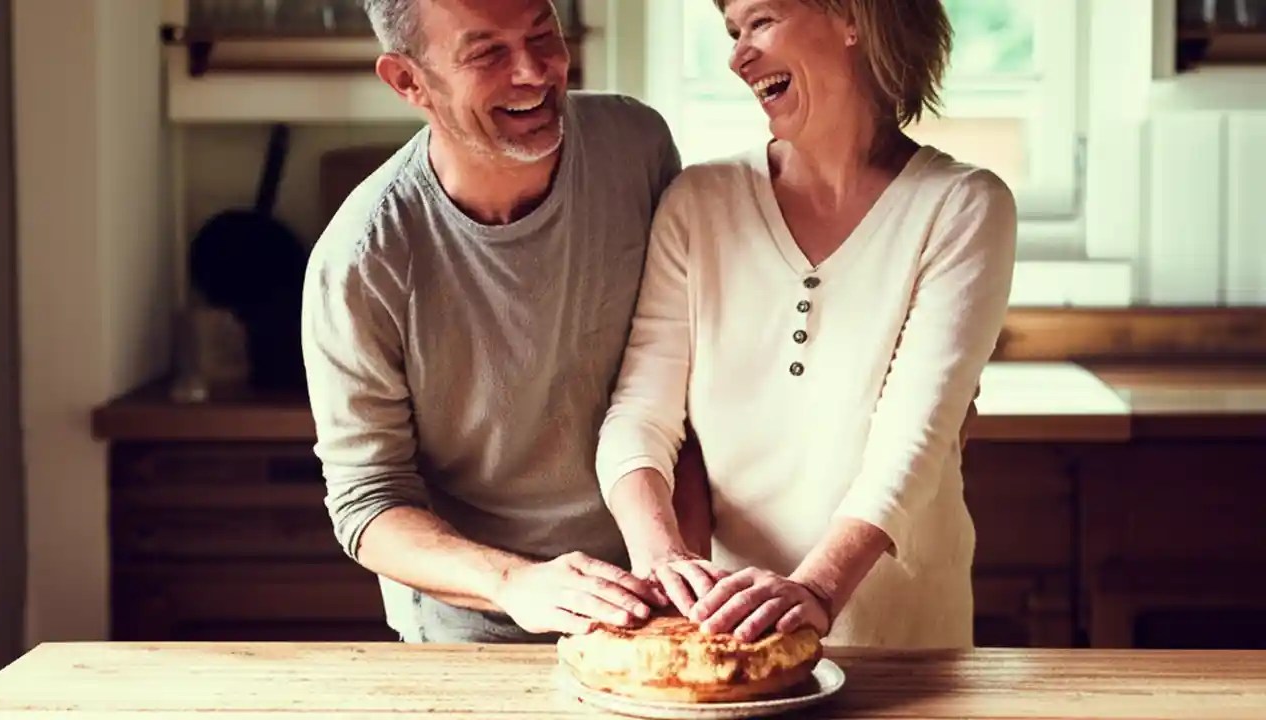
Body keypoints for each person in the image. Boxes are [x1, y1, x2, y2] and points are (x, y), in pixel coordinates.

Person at [595, 0, 1016, 649]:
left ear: (852, 18)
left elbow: (916, 438)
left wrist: (817, 589)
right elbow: (639, 415)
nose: (738, 55)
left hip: (904, 638)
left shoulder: (962, 206)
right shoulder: (699, 203)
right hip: (734, 633)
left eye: (760, 21)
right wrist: (662, 559)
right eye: (733, 33)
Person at [301, 0, 682, 643]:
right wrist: (514, 583)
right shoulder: (362, 258)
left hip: (656, 599)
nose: (534, 72)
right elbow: (367, 503)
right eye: (488, 53)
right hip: (479, 625)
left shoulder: (635, 145)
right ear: (407, 81)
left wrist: (673, 563)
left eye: (543, 35)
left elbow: (679, 379)